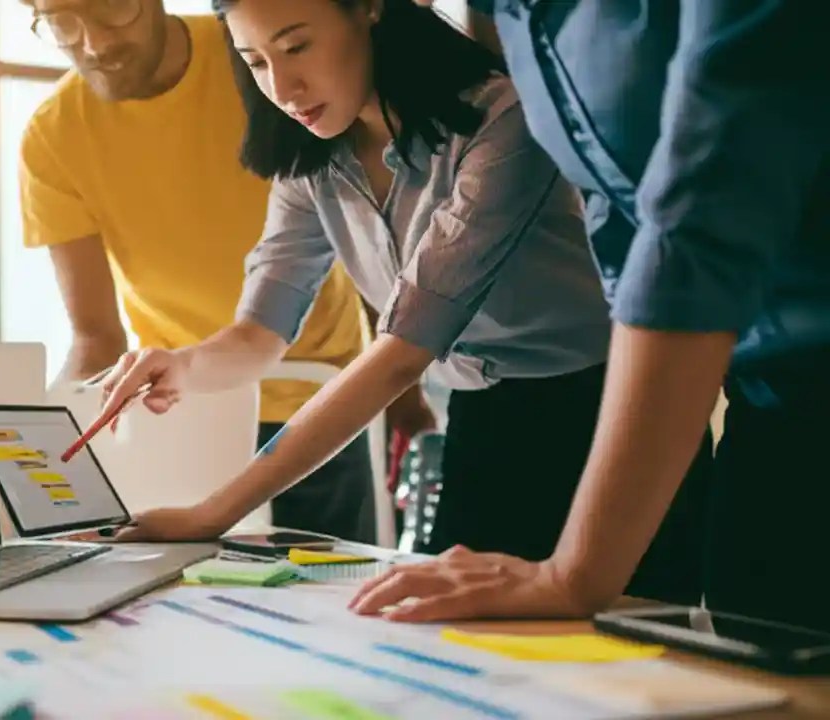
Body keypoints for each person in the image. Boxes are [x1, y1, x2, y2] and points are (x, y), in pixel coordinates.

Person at [101, 0, 712, 606]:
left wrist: (214, 512)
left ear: (369, 9)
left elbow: (403, 354)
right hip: (480, 424)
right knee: (459, 645)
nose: (282, 88)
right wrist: (181, 366)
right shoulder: (311, 162)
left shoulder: (500, 118)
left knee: (638, 642)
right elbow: (259, 335)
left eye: (296, 47)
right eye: (256, 62)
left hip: (610, 415)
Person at [349, 0, 830, 632]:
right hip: (769, 396)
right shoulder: (516, 19)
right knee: (758, 650)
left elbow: (703, 211)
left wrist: (574, 574)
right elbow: (621, 224)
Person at [18, 0, 393, 543]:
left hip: (323, 398)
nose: (95, 44)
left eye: (111, 8)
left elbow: (372, 228)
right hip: (182, 407)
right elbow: (95, 339)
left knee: (337, 586)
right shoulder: (54, 134)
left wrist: (401, 380)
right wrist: (36, 443)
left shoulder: (259, 56)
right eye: (61, 22)